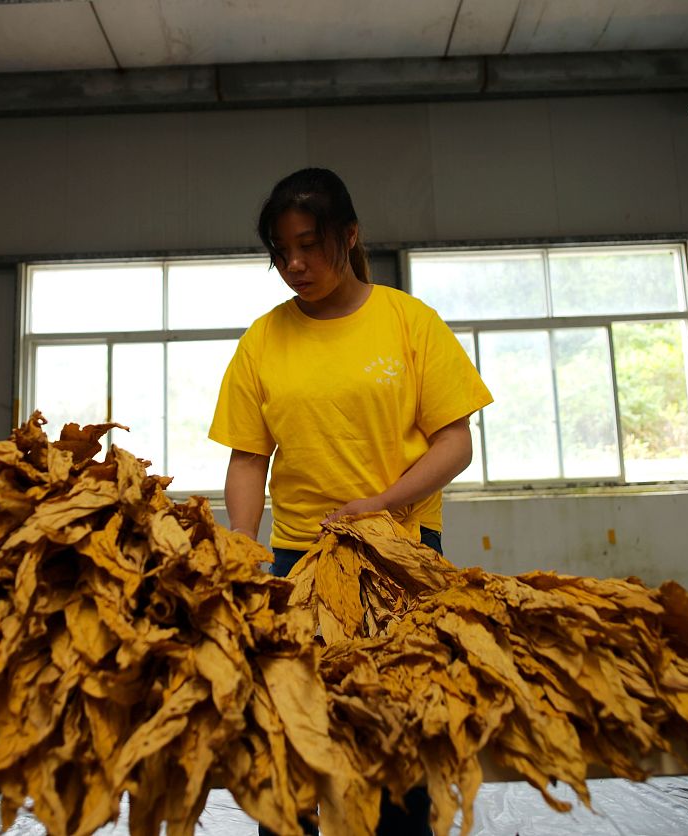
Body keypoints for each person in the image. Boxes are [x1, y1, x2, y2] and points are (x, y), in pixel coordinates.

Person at [208, 167, 493, 836]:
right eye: (282, 253)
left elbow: (456, 444)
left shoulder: (408, 321)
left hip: (400, 561)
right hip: (297, 563)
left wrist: (382, 504)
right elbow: (248, 457)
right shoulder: (264, 339)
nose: (297, 265)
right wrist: (244, 541)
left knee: (399, 733)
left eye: (310, 245)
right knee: (294, 729)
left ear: (351, 235)